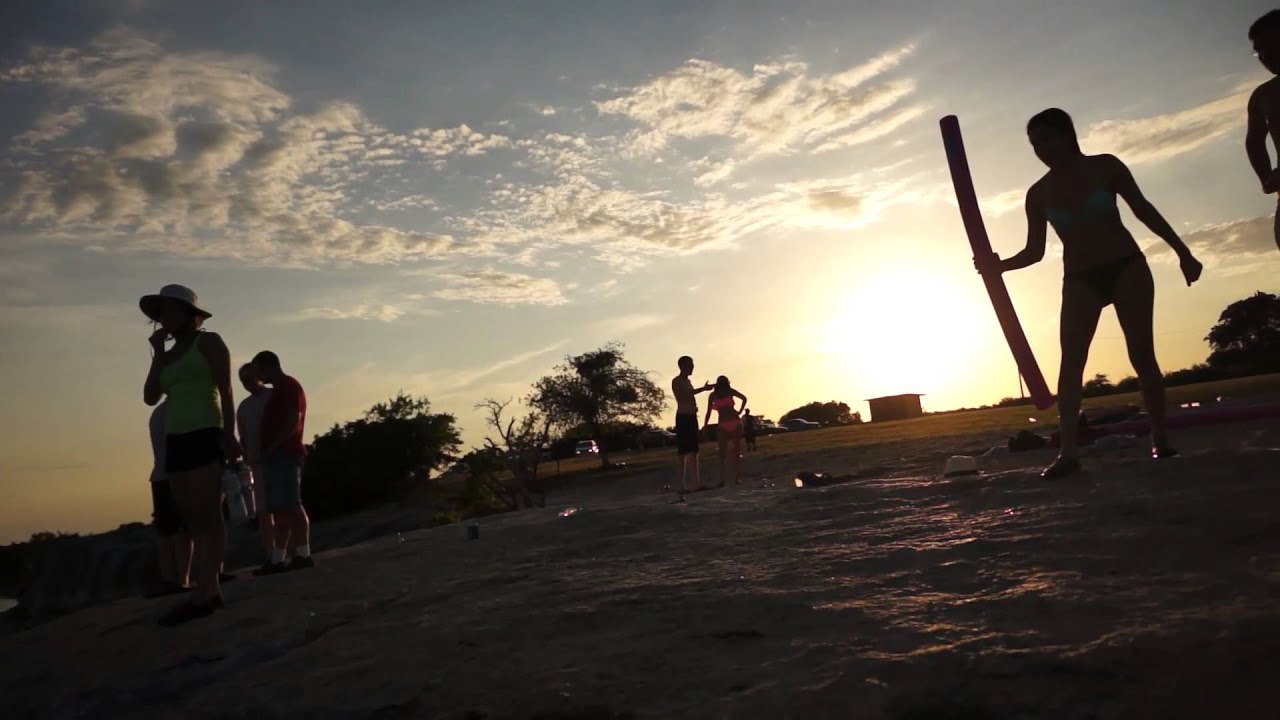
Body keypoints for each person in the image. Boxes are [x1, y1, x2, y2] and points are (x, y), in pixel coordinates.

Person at [976, 109, 1203, 479]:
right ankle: (1067, 453)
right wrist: (999, 266)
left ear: (1068, 135)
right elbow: (1035, 251)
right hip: (1080, 279)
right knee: (1071, 362)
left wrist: (1183, 252)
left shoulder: (1106, 167)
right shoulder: (1038, 193)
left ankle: (1161, 439)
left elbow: (1143, 209)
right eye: (1034, 144)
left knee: (1142, 354)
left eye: (1047, 139)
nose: (1042, 149)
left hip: (1127, 267)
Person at [141, 284, 239, 625]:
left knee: (209, 513)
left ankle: (205, 591)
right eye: (160, 314)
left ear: (189, 314)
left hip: (206, 431)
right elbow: (150, 396)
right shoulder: (166, 354)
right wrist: (157, 355)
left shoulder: (209, 342)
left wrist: (231, 435)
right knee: (191, 519)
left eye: (169, 310)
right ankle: (208, 590)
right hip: (176, 439)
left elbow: (226, 388)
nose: (163, 319)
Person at [252, 350, 313, 574]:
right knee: (281, 508)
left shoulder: (288, 386)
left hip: (285, 453)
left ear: (268, 367)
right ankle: (279, 558)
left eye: (258, 371)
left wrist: (273, 446)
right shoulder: (281, 389)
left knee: (291, 504)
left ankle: (302, 554)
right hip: (278, 455)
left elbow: (293, 419)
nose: (257, 377)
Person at [143, 401, 193, 598]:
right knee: (182, 530)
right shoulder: (181, 409)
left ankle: (168, 578)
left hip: (159, 476)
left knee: (165, 532)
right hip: (177, 475)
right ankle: (182, 579)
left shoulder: (157, 413)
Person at [1246, 8, 1280, 252]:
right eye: (1258, 51)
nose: (1264, 56)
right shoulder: (1263, 95)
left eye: (1269, 46)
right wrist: (1266, 178)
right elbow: (1254, 142)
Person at [236, 363, 276, 571]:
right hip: (257, 463)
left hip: (278, 458)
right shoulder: (243, 407)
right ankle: (271, 554)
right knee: (263, 511)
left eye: (249, 377)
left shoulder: (273, 396)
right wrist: (246, 455)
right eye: (242, 380)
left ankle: (294, 551)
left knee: (285, 506)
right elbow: (242, 436)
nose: (246, 383)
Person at [670, 356, 713, 494]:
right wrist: (703, 389)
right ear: (682, 366)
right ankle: (681, 486)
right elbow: (685, 394)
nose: (692, 368)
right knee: (683, 452)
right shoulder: (676, 381)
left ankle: (696, 483)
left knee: (694, 451)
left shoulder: (688, 381)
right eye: (689, 365)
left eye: (692, 365)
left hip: (692, 416)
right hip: (683, 417)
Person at [703, 376, 748, 488]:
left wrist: (740, 411)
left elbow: (744, 398)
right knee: (722, 453)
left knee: (736, 451)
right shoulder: (713, 395)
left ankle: (737, 477)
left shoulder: (730, 391)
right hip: (723, 424)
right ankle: (722, 478)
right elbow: (708, 411)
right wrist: (705, 425)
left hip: (735, 422)